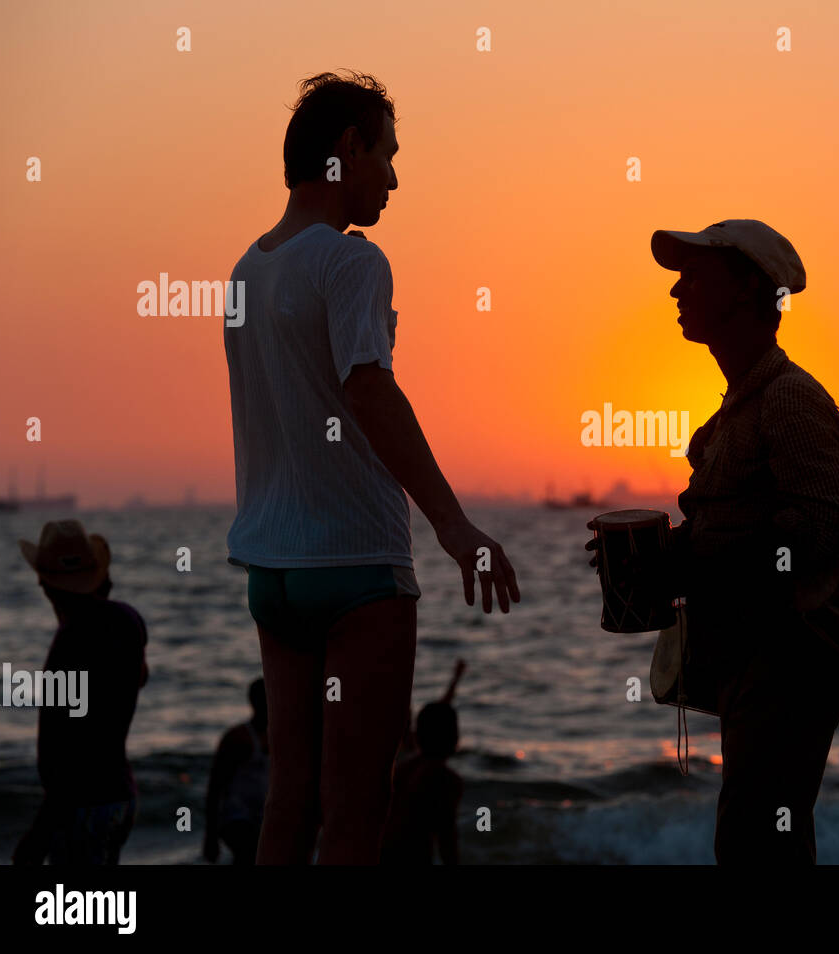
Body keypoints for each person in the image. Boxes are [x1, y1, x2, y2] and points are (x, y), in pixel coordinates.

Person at [224, 70, 519, 865]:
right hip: (357, 567)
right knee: (358, 809)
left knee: (290, 796)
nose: (394, 176)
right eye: (387, 155)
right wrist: (454, 526)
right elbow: (367, 388)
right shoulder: (352, 262)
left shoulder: (245, 272)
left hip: (273, 572)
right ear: (348, 149)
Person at [643, 219, 839, 863]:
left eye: (693, 276)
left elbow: (827, 530)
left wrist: (694, 557)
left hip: (792, 662)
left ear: (744, 289)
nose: (676, 291)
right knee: (755, 839)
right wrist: (674, 557)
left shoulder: (790, 399)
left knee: (756, 839)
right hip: (752, 662)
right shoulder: (737, 408)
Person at [12, 520, 149, 865]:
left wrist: (38, 835)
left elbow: (69, 755)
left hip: (82, 804)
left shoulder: (69, 646)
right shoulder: (128, 620)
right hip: (120, 795)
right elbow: (137, 678)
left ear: (44, 584)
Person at [381, 660, 465, 865]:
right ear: (455, 739)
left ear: (418, 736)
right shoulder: (445, 780)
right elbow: (447, 841)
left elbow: (439, 714)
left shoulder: (399, 770)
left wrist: (456, 679)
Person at [204, 678, 269, 865]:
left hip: (264, 817)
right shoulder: (237, 739)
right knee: (248, 856)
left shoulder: (280, 736)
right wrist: (211, 837)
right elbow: (214, 788)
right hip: (237, 818)